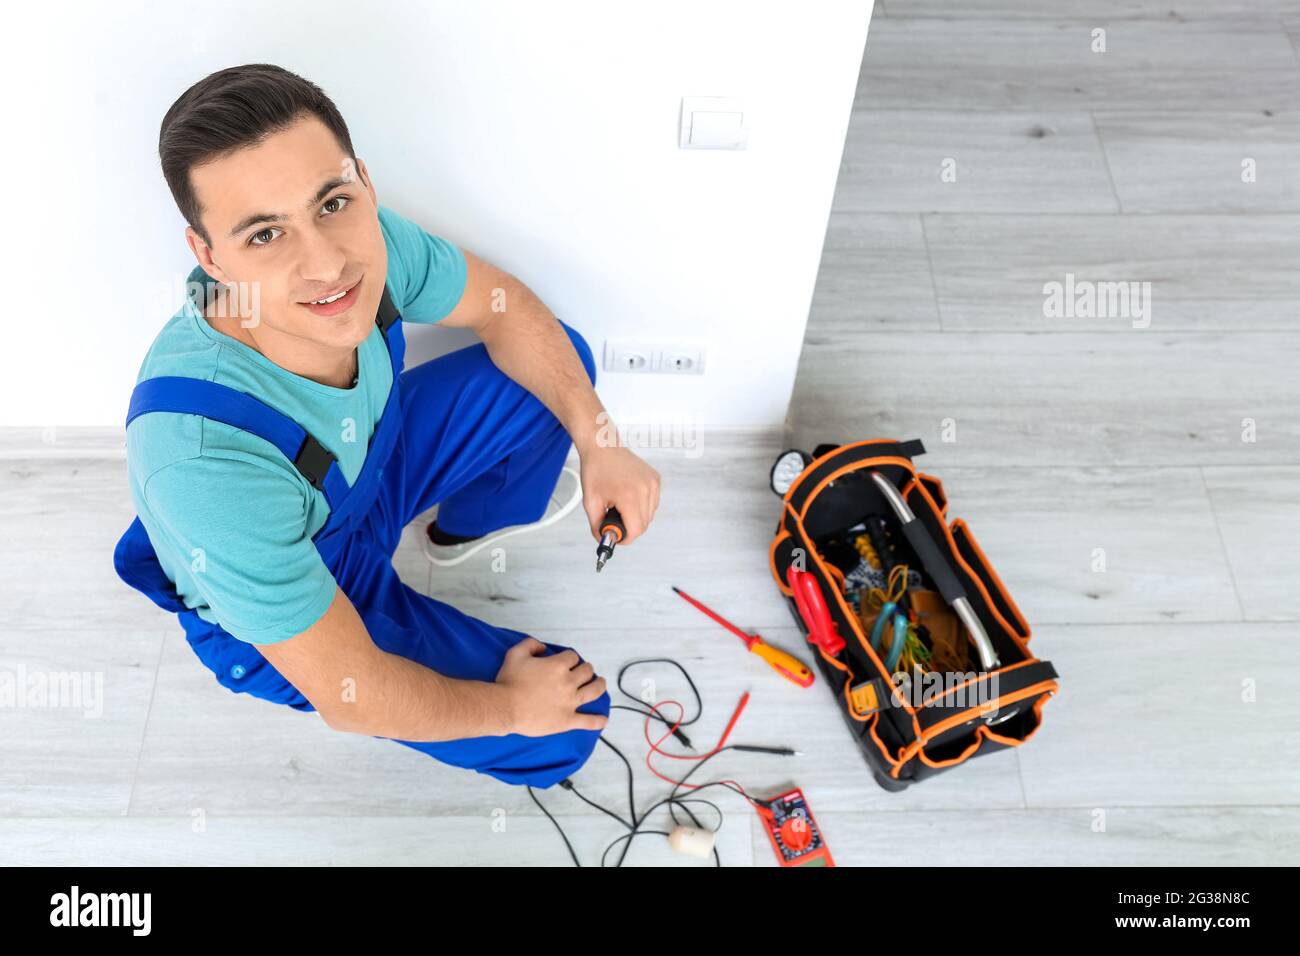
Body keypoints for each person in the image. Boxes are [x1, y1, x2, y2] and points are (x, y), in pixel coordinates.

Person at [113, 63, 661, 788]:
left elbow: (506, 309)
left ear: (362, 186)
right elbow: (354, 695)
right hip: (301, 578)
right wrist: (509, 709)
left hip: (368, 467)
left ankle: (456, 534)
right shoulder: (204, 465)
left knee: (562, 370)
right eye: (265, 235)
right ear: (211, 258)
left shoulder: (368, 243)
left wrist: (603, 443)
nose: (327, 263)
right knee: (569, 728)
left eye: (333, 203)